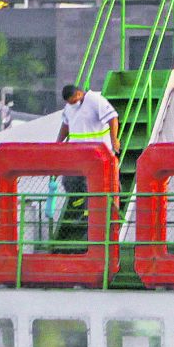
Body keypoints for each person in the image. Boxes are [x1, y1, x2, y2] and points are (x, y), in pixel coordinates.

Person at [53, 84, 119, 237]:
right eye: (69, 102)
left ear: (79, 93)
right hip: (77, 153)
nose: (71, 104)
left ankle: (91, 215)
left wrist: (114, 140)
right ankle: (83, 209)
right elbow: (65, 125)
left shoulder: (95, 100)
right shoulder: (69, 108)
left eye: (73, 100)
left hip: (97, 152)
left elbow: (112, 118)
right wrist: (58, 143)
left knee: (92, 185)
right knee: (69, 181)